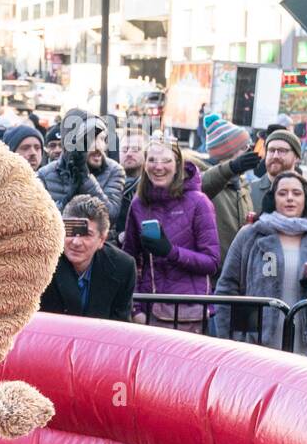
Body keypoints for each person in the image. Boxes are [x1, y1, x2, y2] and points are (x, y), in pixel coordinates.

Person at [214, 170, 307, 352]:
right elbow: (226, 288)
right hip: (258, 345)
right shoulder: (250, 235)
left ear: (306, 199)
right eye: (282, 193)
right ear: (272, 199)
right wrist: (232, 340)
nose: (289, 198)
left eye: (296, 193)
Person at [122, 137, 220, 330]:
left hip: (189, 313)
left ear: (178, 165)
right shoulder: (138, 203)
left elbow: (212, 262)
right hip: (148, 311)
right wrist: (136, 309)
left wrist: (170, 252)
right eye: (152, 160)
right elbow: (129, 260)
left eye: (166, 160)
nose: (158, 167)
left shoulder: (199, 202)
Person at [39, 195, 136, 322]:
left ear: (102, 239)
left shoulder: (122, 267)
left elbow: (121, 325)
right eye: (71, 231)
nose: (76, 242)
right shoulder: (43, 260)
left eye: (87, 235)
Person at [37, 109, 124, 225]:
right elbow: (42, 221)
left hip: (102, 242)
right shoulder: (44, 175)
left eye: (102, 139)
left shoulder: (114, 170)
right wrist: (68, 198)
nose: (98, 147)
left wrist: (85, 178)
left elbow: (110, 216)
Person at [196, 112, 259, 264]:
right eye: (245, 147)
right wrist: (231, 167)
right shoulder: (201, 178)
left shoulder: (242, 183)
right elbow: (203, 184)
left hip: (236, 268)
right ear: (229, 151)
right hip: (213, 271)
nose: (249, 152)